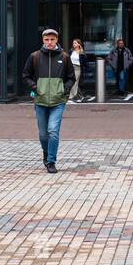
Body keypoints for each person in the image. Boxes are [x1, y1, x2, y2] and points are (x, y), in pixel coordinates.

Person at [22, 28, 74, 173]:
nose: (49, 42)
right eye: (47, 40)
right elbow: (26, 75)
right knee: (43, 135)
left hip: (58, 101)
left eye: (52, 39)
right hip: (40, 101)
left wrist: (64, 89)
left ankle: (51, 161)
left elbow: (71, 77)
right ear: (43, 40)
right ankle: (46, 153)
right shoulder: (35, 56)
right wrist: (35, 87)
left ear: (56, 40)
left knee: (53, 131)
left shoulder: (64, 57)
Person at [67, 38, 85, 103]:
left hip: (77, 68)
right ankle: (80, 97)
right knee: (73, 82)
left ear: (79, 44)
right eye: (73, 43)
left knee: (75, 83)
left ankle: (71, 97)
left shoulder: (81, 53)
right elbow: (67, 58)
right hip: (71, 68)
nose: (74, 44)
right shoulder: (71, 51)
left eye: (75, 43)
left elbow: (84, 62)